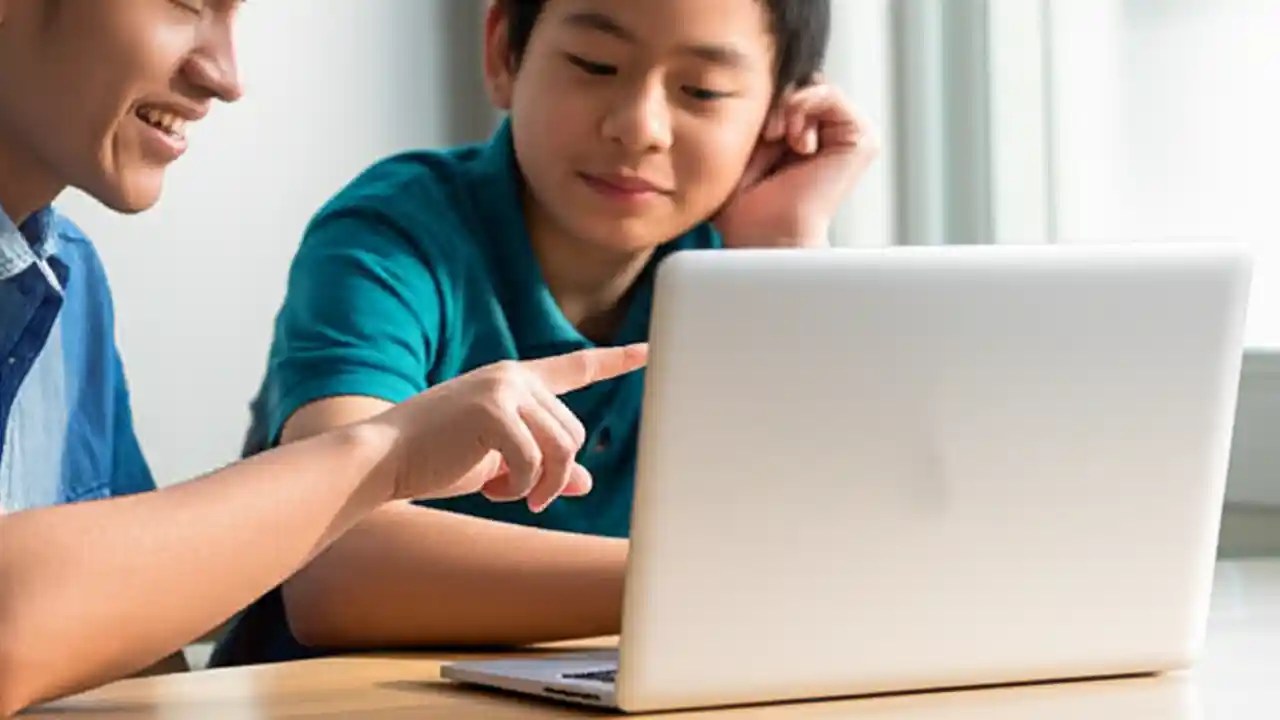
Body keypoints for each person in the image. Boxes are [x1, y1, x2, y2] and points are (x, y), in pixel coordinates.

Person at [0, 1, 629, 714]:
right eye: (184, 3)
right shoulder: (397, 229)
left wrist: (780, 234)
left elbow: (140, 649)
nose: (226, 77)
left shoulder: (68, 275)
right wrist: (383, 453)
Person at [213, 0, 878, 666]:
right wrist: (702, 587)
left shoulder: (742, 263)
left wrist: (785, 250)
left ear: (776, 117)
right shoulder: (394, 236)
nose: (638, 127)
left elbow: (846, 545)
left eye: (701, 91)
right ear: (505, 54)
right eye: (596, 65)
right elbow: (335, 566)